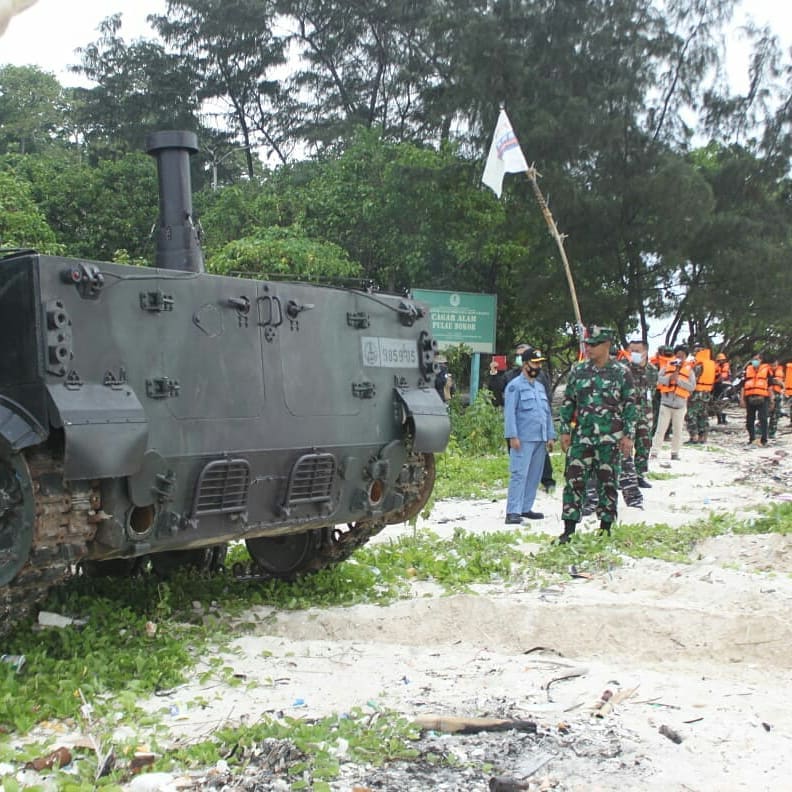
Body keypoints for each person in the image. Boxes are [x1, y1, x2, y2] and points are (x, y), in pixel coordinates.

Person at [557, 326, 636, 544]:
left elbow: (630, 406)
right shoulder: (578, 371)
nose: (589, 348)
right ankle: (568, 530)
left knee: (608, 484)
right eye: (587, 344)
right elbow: (568, 403)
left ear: (607, 345)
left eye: (594, 344)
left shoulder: (621, 373)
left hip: (610, 439)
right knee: (573, 481)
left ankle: (605, 529)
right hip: (582, 437)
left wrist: (628, 436)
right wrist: (564, 430)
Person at [503, 349, 556, 524]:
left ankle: (525, 508)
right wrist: (512, 435)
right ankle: (513, 511)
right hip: (522, 438)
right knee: (519, 474)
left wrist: (550, 435)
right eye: (535, 363)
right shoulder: (514, 386)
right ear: (525, 364)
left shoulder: (540, 386)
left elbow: (546, 412)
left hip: (539, 438)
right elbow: (509, 413)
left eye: (540, 363)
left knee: (535, 474)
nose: (538, 366)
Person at [650, 345, 696, 462]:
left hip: (680, 405)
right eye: (678, 354)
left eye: (683, 355)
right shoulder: (667, 366)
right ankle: (655, 452)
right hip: (666, 403)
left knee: (678, 430)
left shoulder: (689, 370)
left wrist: (678, 381)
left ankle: (675, 453)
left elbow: (692, 386)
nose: (680, 357)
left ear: (686, 356)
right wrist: (670, 379)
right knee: (660, 429)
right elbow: (659, 378)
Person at [626, 339, 657, 488]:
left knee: (644, 444)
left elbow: (653, 390)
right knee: (625, 445)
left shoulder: (652, 370)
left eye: (637, 351)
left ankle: (639, 474)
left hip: (645, 413)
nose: (633, 354)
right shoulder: (624, 369)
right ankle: (624, 475)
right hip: (627, 413)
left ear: (645, 352)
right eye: (631, 351)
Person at [685, 345, 715, 443]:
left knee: (691, 414)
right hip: (706, 393)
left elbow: (693, 379)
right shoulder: (711, 364)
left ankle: (694, 436)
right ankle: (703, 436)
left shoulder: (699, 365)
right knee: (703, 414)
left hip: (697, 392)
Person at [740, 353, 772, 446]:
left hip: (763, 397)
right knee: (750, 419)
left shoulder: (767, 370)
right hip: (749, 397)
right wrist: (741, 399)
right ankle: (752, 438)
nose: (755, 361)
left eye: (757, 359)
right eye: (753, 359)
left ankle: (764, 439)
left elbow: (770, 385)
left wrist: (771, 399)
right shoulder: (747, 370)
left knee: (763, 418)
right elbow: (742, 385)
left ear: (761, 360)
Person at [768, 358, 784, 439]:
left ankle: (772, 432)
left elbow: (780, 382)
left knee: (776, 414)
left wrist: (779, 382)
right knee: (765, 413)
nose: (774, 366)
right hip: (768, 394)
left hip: (777, 394)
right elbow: (772, 381)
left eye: (775, 364)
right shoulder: (767, 370)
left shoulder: (780, 370)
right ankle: (760, 429)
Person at [713, 352, 731, 425]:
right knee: (716, 402)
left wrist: (716, 381)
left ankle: (722, 418)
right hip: (716, 385)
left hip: (723, 385)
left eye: (722, 360)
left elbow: (723, 376)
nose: (720, 361)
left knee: (721, 402)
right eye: (719, 360)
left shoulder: (726, 366)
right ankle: (719, 419)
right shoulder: (715, 366)